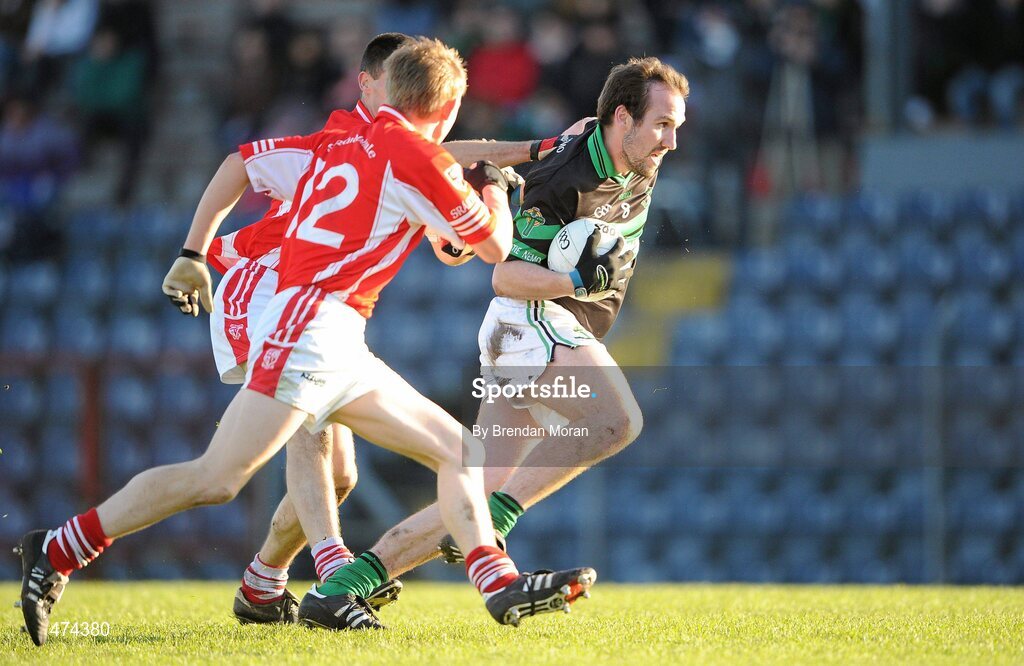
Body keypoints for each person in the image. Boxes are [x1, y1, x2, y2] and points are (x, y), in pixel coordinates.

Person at [18, 37, 594, 646]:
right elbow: (494, 250)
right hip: (308, 324)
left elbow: (276, 165)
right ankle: (57, 549)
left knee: (459, 452)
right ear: (449, 106)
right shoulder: (419, 159)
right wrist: (498, 190)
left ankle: (497, 585)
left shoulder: (342, 140)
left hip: (333, 330)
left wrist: (193, 251)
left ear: (386, 90)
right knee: (217, 477)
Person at [200, 32, 591, 625]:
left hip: (316, 301)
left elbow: (445, 164)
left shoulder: (386, 138)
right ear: (371, 82)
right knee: (296, 434)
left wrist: (531, 153)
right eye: (398, 77)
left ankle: (263, 582)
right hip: (261, 284)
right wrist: (191, 253)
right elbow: (240, 162)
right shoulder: (353, 133)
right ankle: (334, 575)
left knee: (343, 475)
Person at [313, 57, 689, 589]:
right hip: (532, 322)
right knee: (617, 421)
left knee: (474, 490)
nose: (672, 142)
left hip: (526, 333)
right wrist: (580, 280)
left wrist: (533, 151)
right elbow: (505, 277)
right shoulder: (567, 175)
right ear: (624, 118)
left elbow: (568, 136)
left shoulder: (618, 149)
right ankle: (501, 519)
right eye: (663, 124)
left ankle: (346, 585)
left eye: (677, 126)